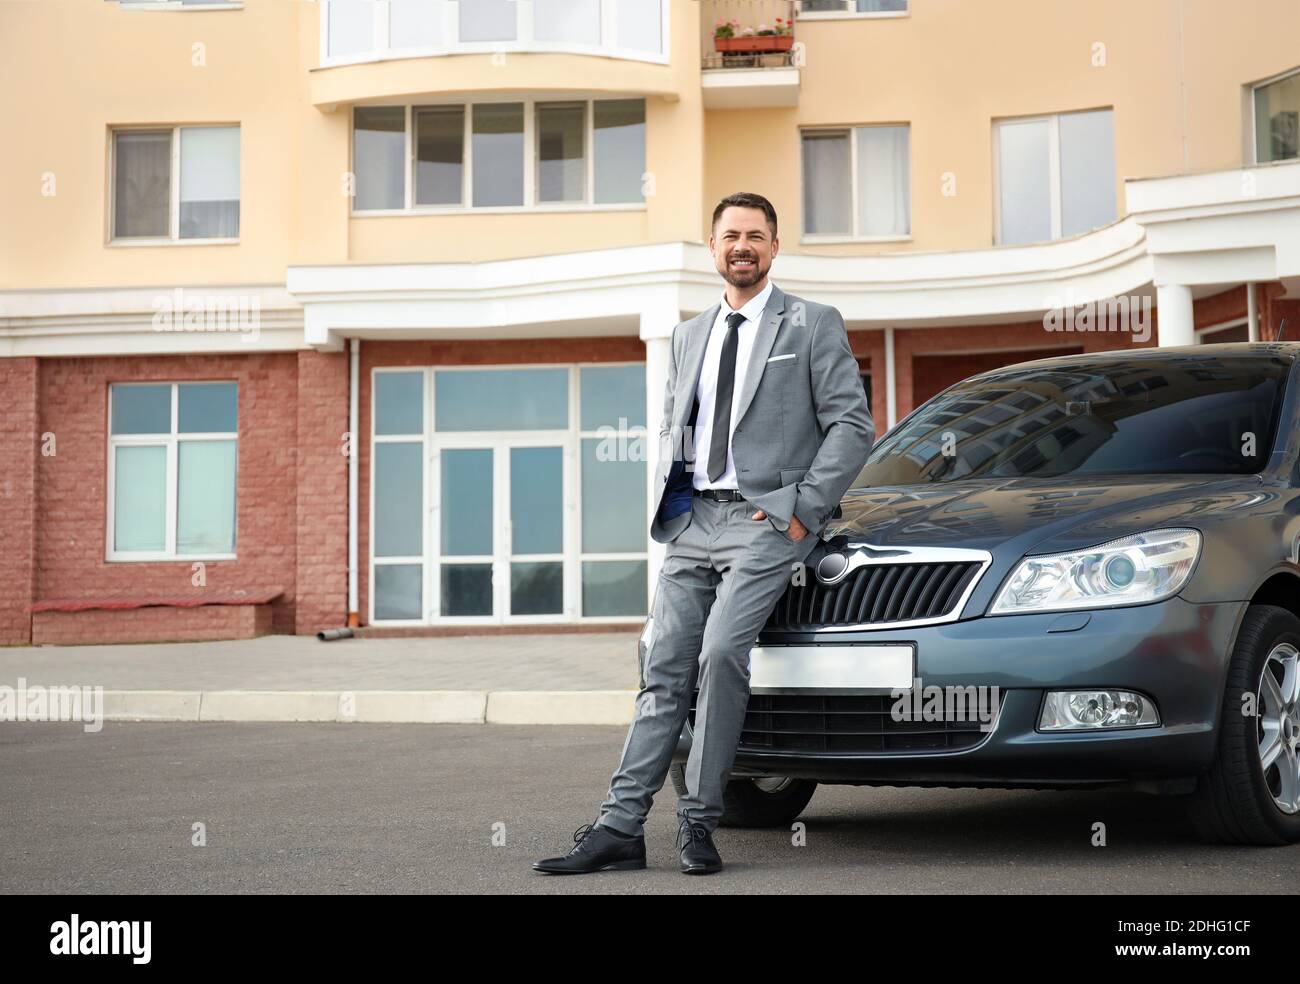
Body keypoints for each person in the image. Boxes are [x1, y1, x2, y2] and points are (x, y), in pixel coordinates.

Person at [533, 192, 875, 875]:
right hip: (693, 522)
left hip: (765, 522)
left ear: (774, 248)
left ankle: (698, 822)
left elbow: (852, 426)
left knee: (720, 654)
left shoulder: (810, 324)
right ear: (713, 248)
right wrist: (676, 502)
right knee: (662, 671)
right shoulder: (690, 335)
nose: (742, 245)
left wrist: (800, 508)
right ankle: (619, 829)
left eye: (755, 234)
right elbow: (676, 427)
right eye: (730, 235)